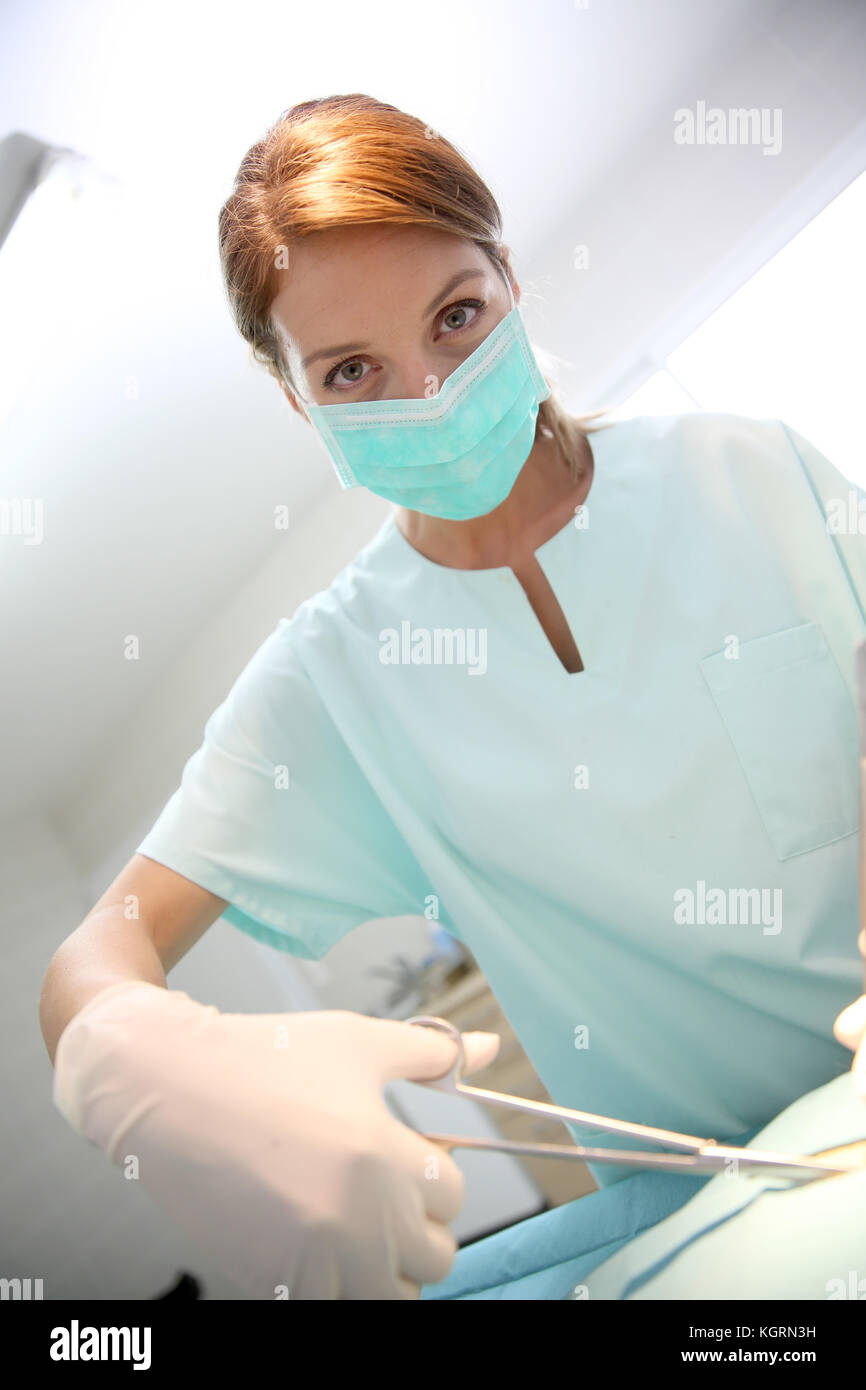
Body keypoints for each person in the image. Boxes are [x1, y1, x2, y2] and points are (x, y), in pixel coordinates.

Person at [39, 93, 866, 1301]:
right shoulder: (333, 683)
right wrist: (138, 1060)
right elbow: (97, 958)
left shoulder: (748, 470)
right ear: (295, 400)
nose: (426, 390)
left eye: (456, 316)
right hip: (725, 1220)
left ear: (510, 283)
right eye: (354, 369)